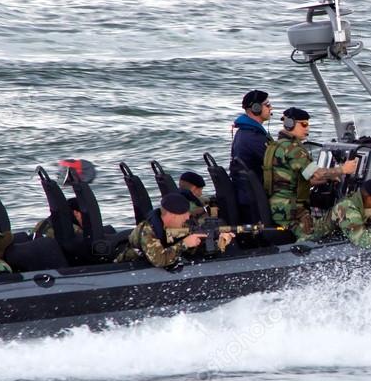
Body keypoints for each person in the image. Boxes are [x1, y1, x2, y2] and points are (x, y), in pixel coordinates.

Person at [263, 107, 357, 236]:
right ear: (290, 124)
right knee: (343, 210)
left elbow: (297, 180)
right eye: (304, 124)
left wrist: (328, 178)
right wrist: (343, 169)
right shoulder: (292, 149)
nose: (307, 128)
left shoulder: (276, 145)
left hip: (280, 208)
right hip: (292, 213)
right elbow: (316, 173)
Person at [116, 193, 235, 268]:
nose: (187, 217)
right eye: (184, 214)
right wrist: (184, 243)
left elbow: (197, 250)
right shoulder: (147, 230)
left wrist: (219, 243)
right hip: (129, 267)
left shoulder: (178, 226)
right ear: (172, 216)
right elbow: (160, 260)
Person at [229, 89, 273, 222]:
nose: (271, 108)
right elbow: (277, 163)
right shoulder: (254, 138)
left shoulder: (244, 133)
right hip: (255, 199)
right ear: (256, 108)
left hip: (247, 196)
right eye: (267, 104)